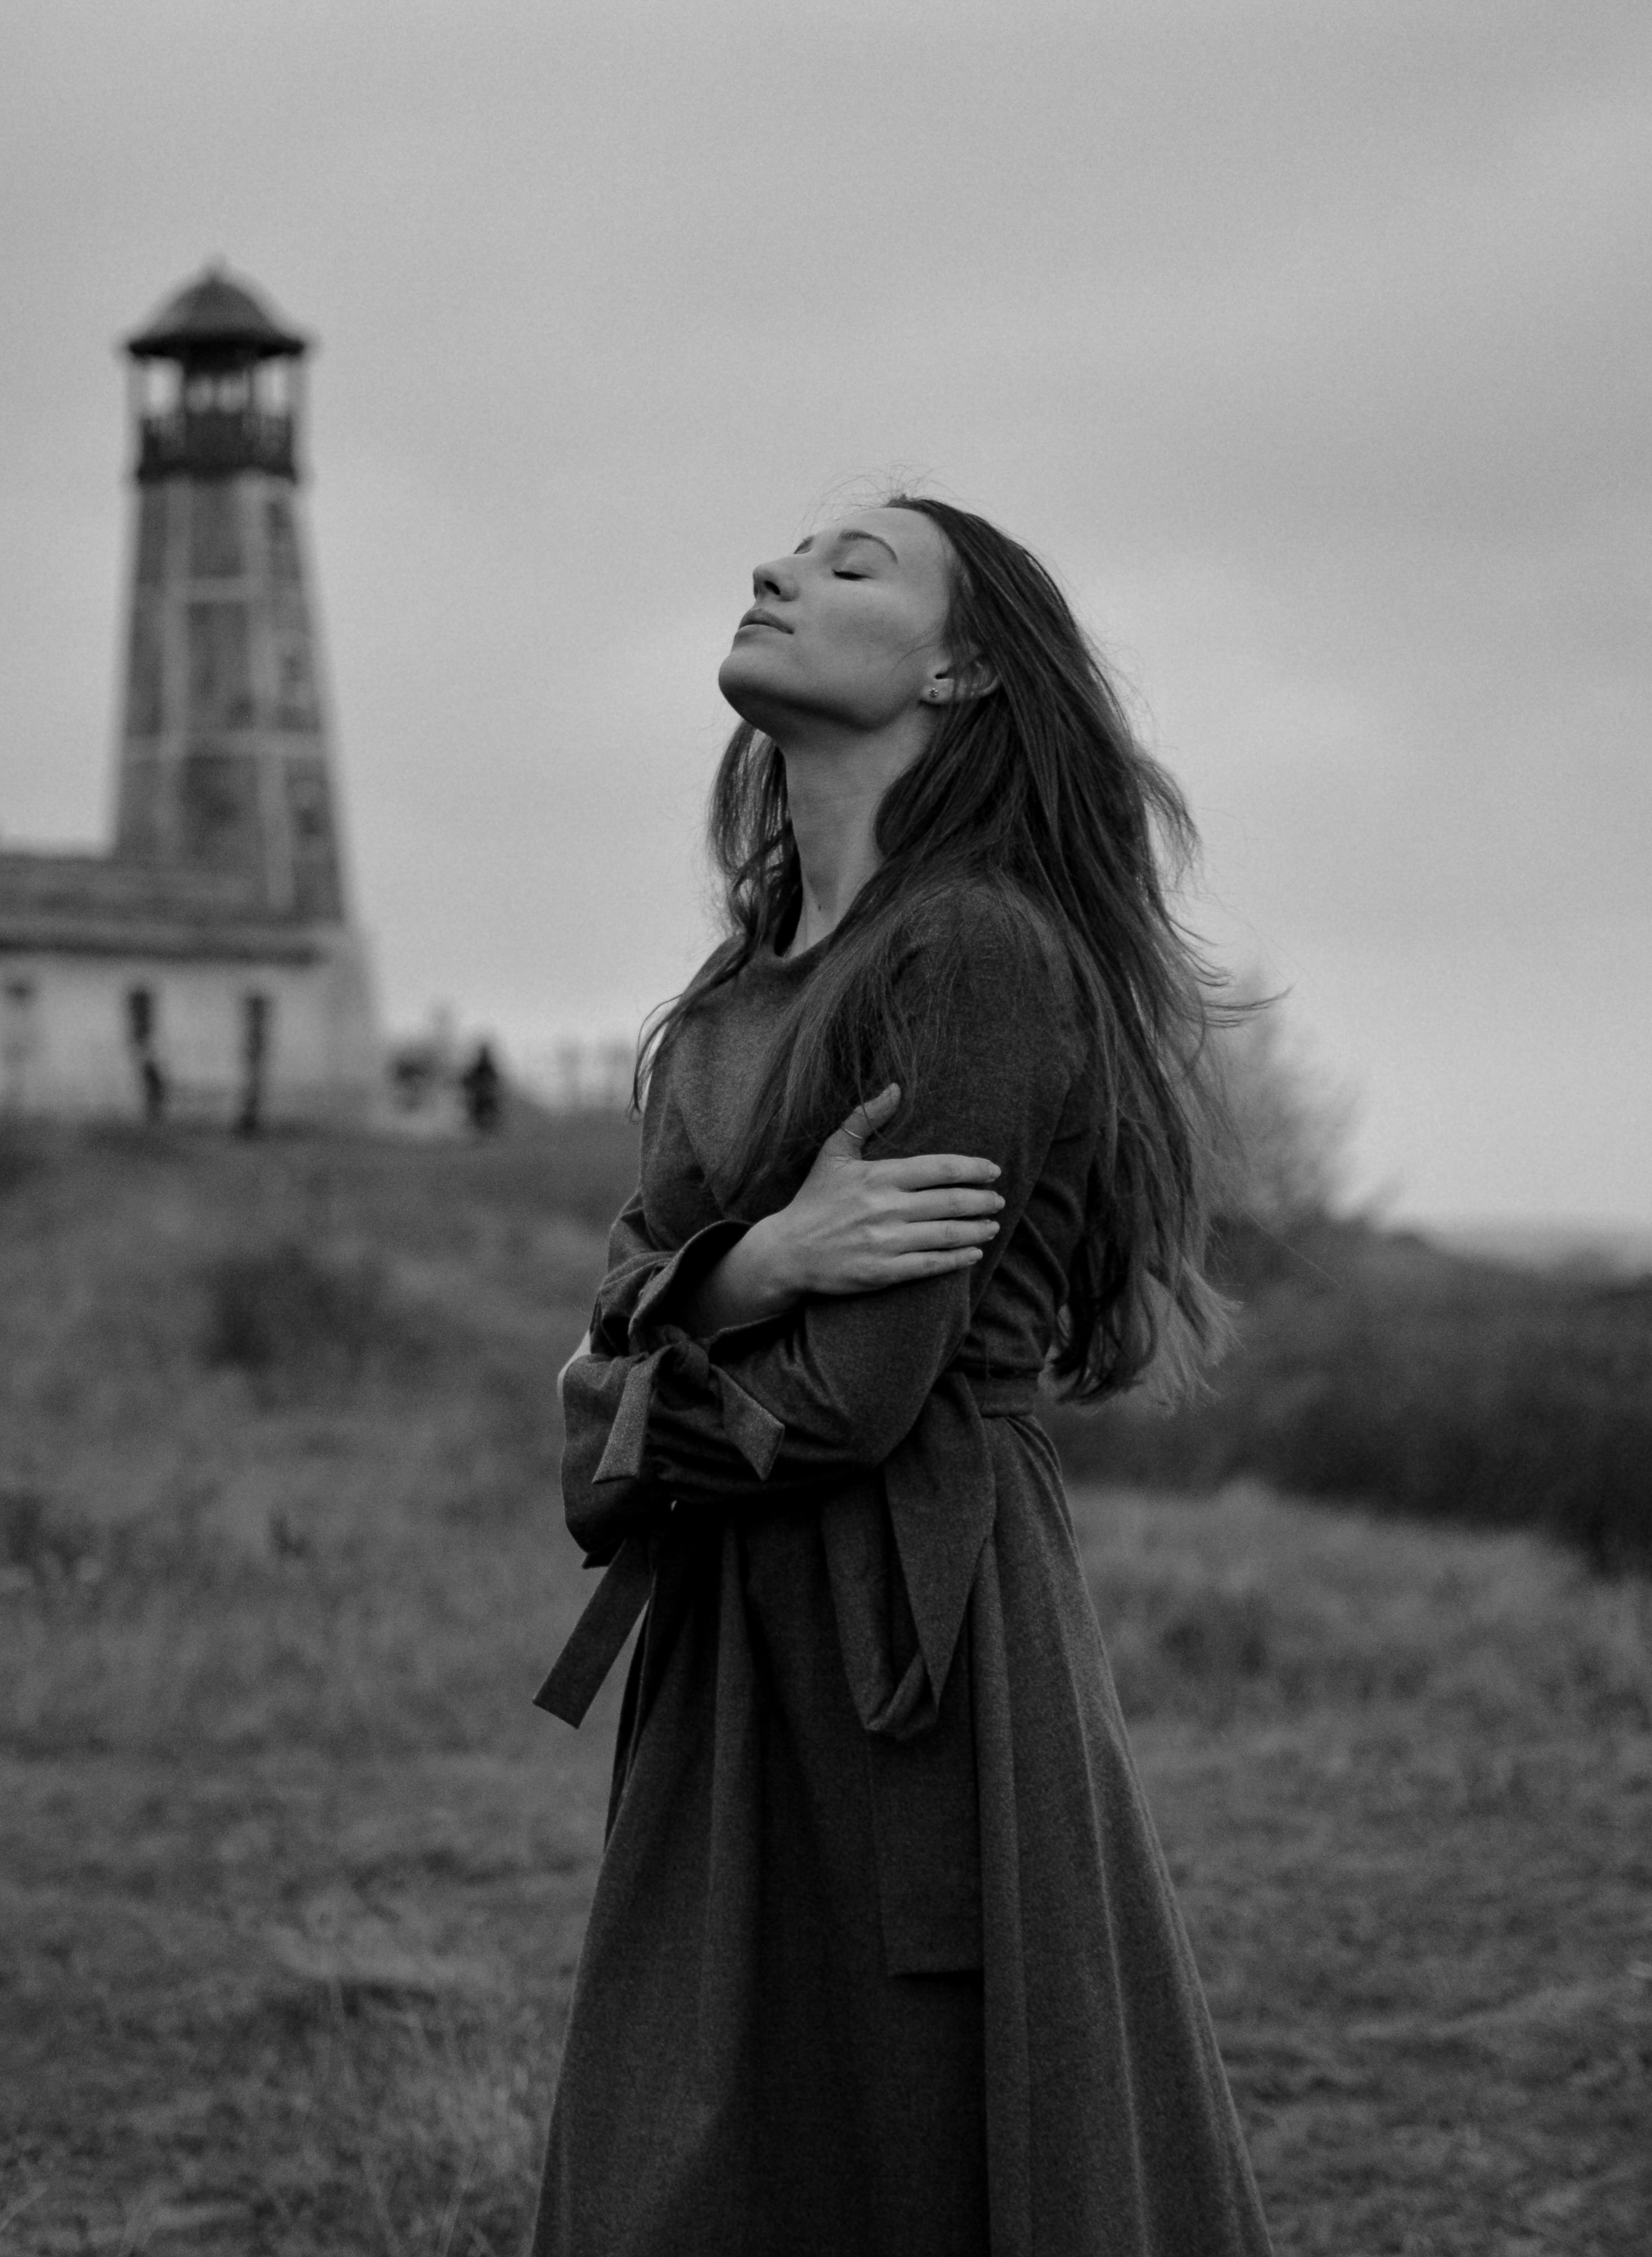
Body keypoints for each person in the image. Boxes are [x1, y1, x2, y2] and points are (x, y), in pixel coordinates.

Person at [528, 498, 1273, 2255]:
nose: (778, 571)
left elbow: (845, 1398)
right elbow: (618, 1355)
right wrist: (757, 1262)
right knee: (707, 2128)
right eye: (786, 553)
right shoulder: (726, 1001)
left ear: (958, 668)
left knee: (916, 2129)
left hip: (908, 1633)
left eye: (851, 564)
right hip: (732, 1643)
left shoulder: (975, 956)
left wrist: (649, 1355)